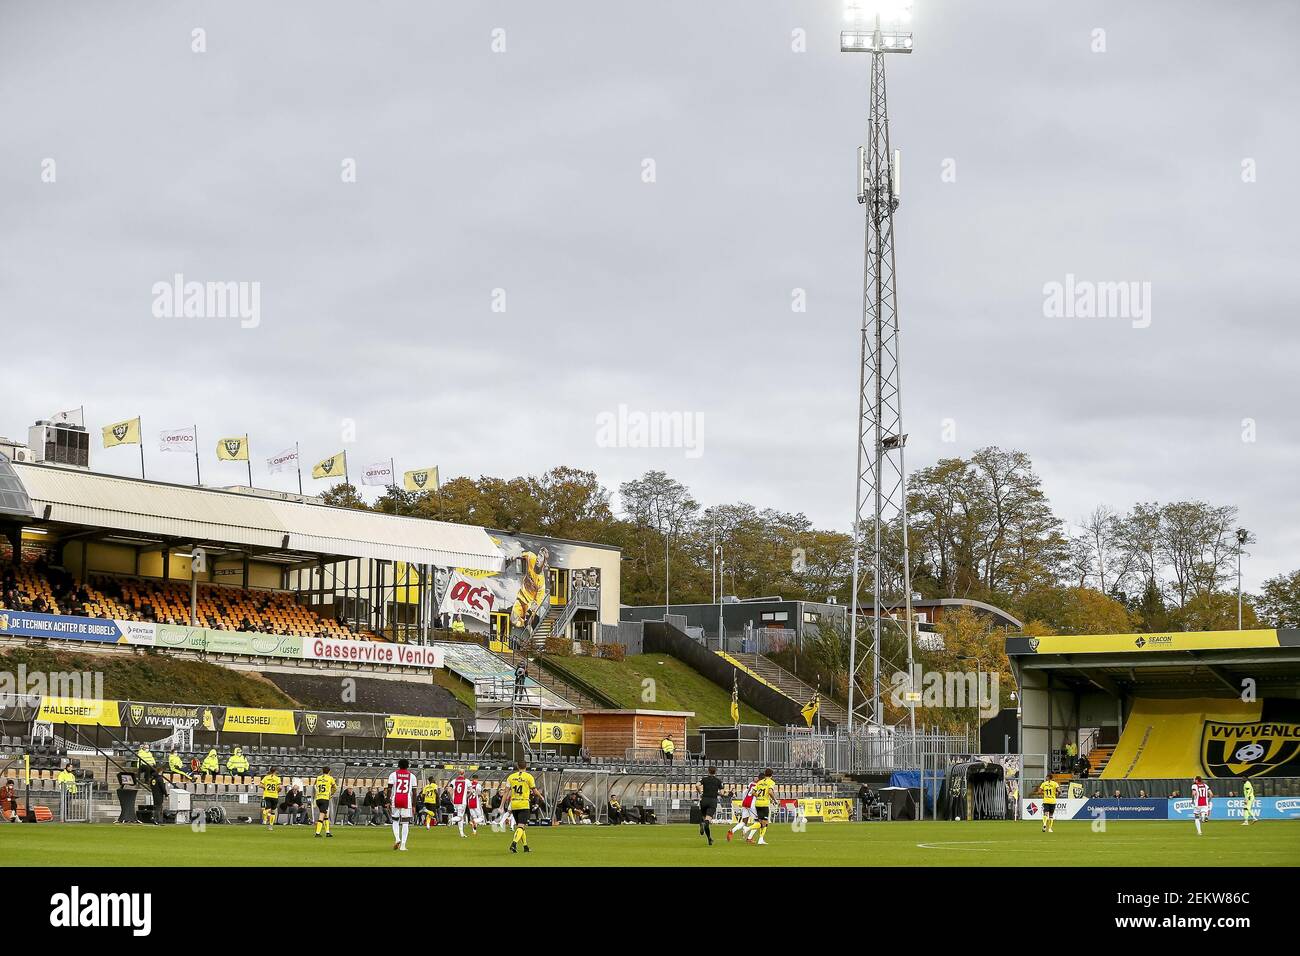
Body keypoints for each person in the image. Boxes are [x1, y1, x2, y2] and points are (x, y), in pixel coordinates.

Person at [504, 759, 539, 854]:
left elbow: (506, 792)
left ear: (517, 766)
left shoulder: (511, 777)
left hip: (514, 804)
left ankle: (525, 846)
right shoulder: (529, 777)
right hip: (524, 804)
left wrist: (501, 804)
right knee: (521, 826)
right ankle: (514, 844)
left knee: (521, 826)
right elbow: (534, 791)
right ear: (526, 766)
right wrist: (541, 796)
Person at [386, 758, 417, 851]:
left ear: (398, 765)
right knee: (405, 823)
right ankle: (403, 845)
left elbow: (389, 789)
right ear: (408, 766)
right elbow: (414, 792)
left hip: (395, 800)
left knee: (395, 821)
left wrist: (388, 801)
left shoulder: (393, 775)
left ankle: (397, 839)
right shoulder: (412, 776)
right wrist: (414, 805)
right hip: (406, 801)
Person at [746, 769, 777, 845]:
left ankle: (761, 839)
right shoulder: (771, 782)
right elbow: (770, 792)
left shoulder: (759, 782)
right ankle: (748, 828)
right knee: (765, 823)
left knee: (761, 822)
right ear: (771, 775)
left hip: (757, 804)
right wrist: (774, 799)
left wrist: (759, 796)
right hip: (764, 804)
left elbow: (753, 792)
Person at [698, 766, 725, 846]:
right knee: (707, 821)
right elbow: (722, 793)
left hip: (704, 800)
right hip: (712, 801)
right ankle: (704, 825)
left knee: (704, 819)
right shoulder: (718, 781)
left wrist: (700, 793)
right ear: (715, 772)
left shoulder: (704, 779)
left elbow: (697, 785)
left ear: (708, 771)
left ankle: (709, 838)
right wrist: (717, 792)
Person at [728, 777, 758, 842]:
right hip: (751, 805)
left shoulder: (751, 784)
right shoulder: (760, 785)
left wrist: (744, 799)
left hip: (745, 802)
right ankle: (749, 838)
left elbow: (745, 792)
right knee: (758, 822)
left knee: (744, 822)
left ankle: (732, 831)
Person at [313, 766, 336, 838]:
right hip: (325, 798)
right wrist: (331, 793)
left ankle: (328, 832)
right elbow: (335, 787)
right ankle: (317, 833)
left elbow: (315, 786)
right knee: (322, 815)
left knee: (326, 816)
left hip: (318, 798)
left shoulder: (318, 778)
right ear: (329, 771)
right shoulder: (330, 778)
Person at [449, 770, 471, 837]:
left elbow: (449, 790)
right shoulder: (467, 781)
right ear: (464, 773)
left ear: (458, 773)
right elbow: (471, 791)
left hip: (455, 801)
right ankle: (451, 820)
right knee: (460, 817)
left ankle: (461, 833)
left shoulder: (453, 781)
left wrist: (452, 798)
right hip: (462, 801)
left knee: (460, 816)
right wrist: (467, 796)